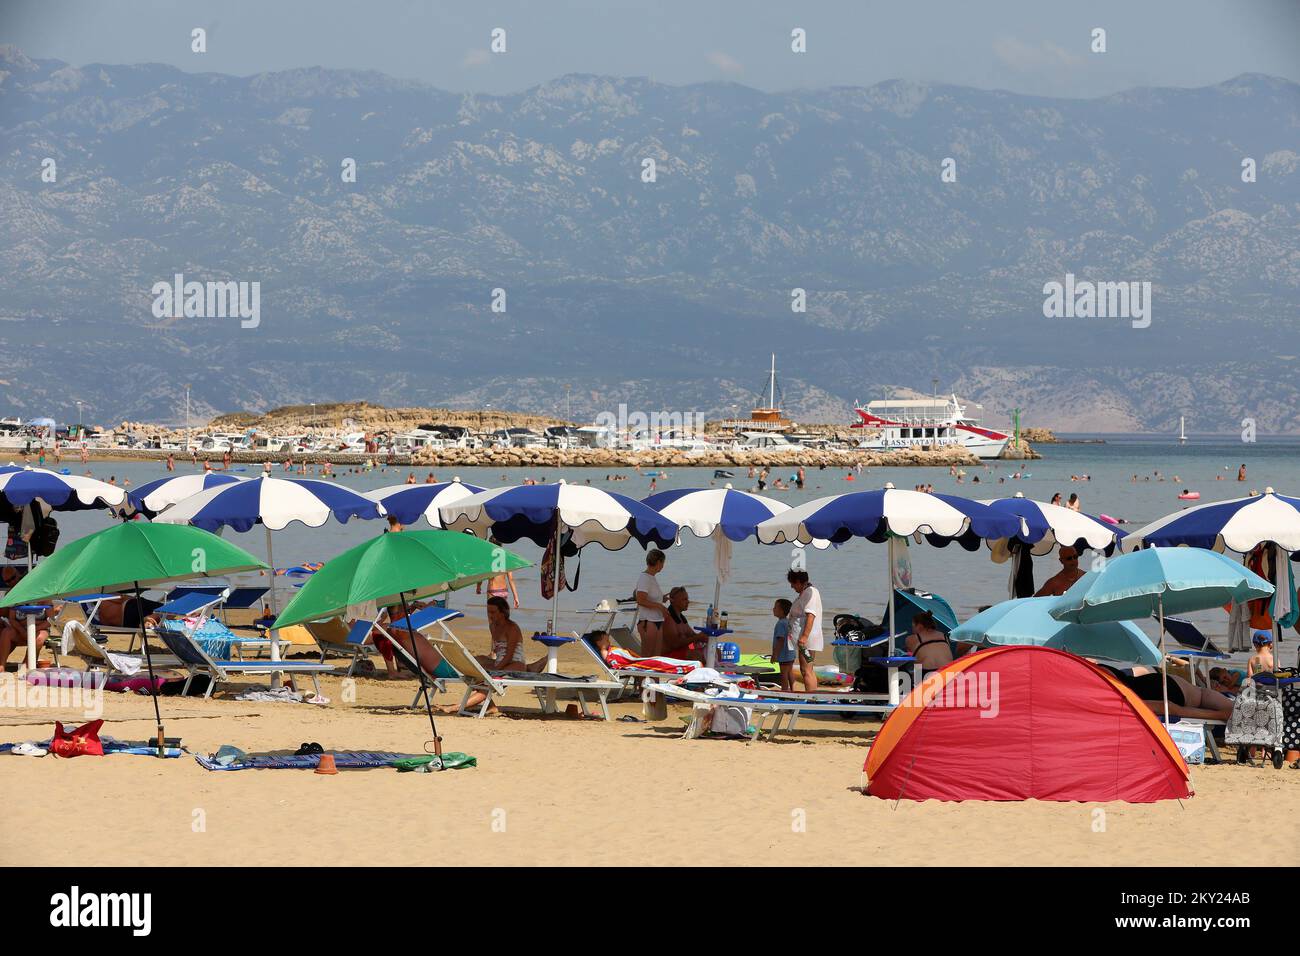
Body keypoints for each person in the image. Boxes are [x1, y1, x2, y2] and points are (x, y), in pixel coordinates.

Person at [1102, 665, 1234, 721]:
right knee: (1202, 695)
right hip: (1165, 688)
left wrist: (1218, 715)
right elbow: (1171, 708)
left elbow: (1172, 708)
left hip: (1162, 689)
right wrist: (1218, 715)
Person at [787, 569, 823, 691]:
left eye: (792, 583)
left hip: (807, 638)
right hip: (805, 637)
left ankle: (811, 697)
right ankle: (812, 696)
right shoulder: (805, 592)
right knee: (807, 669)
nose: (792, 587)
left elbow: (811, 616)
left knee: (806, 670)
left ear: (798, 581)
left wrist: (804, 637)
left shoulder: (810, 593)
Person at [634, 549, 668, 656]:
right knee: (648, 654)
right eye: (663, 562)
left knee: (656, 655)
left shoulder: (651, 577)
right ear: (658, 562)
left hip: (656, 620)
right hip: (648, 621)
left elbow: (649, 598)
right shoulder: (645, 578)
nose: (663, 566)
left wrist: (662, 599)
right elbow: (640, 600)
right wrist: (660, 606)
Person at [476, 535, 520, 609]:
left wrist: (478, 587)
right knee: (502, 614)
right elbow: (511, 579)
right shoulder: (507, 556)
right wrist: (516, 597)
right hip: (504, 591)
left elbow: (482, 575)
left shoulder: (488, 556)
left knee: (492, 614)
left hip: (493, 590)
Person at [660, 586, 703, 661]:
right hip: (668, 656)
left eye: (687, 599)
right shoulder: (668, 619)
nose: (688, 602)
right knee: (696, 654)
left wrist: (704, 637)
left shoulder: (681, 618)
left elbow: (693, 636)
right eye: (684, 599)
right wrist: (697, 638)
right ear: (674, 601)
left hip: (681, 652)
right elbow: (674, 645)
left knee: (713, 650)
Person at [770, 598, 795, 691]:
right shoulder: (788, 622)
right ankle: (793, 690)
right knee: (790, 672)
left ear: (781, 611)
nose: (773, 609)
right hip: (791, 652)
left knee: (783, 675)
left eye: (775, 607)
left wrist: (775, 654)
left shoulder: (780, 623)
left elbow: (780, 639)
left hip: (784, 654)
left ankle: (784, 691)